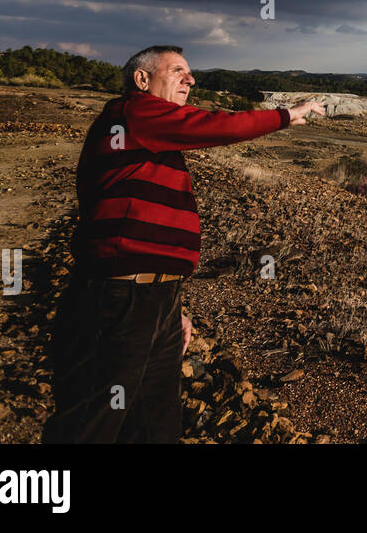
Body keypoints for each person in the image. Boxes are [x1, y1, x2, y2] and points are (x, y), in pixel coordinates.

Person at [42, 45, 325, 443]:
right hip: (118, 297)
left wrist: (169, 304)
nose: (190, 79)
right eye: (177, 71)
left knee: (154, 425)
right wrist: (285, 115)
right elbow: (215, 126)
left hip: (151, 298)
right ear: (142, 80)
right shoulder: (132, 112)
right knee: (91, 422)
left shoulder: (152, 136)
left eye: (190, 73)